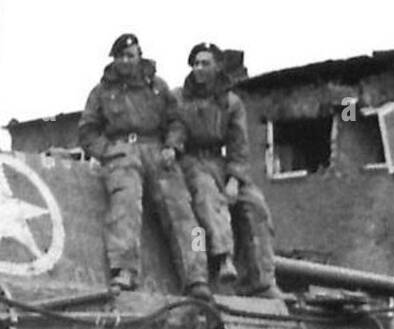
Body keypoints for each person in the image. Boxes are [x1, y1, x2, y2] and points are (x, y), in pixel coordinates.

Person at [79, 33, 212, 300]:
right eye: (120, 57)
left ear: (140, 56)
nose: (125, 61)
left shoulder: (158, 87)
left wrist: (172, 146)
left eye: (130, 56)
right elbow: (87, 131)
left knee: (185, 212)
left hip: (157, 151)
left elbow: (176, 122)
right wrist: (108, 152)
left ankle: (198, 274)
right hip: (122, 151)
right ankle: (124, 268)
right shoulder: (102, 91)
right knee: (124, 206)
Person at [173, 42, 283, 298]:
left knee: (255, 204)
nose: (199, 69)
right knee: (207, 198)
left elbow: (239, 146)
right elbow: (174, 129)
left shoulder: (230, 102)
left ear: (217, 66)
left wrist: (234, 179)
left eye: (205, 63)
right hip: (190, 160)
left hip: (220, 163)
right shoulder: (180, 97)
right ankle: (224, 259)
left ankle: (262, 279)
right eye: (195, 63)